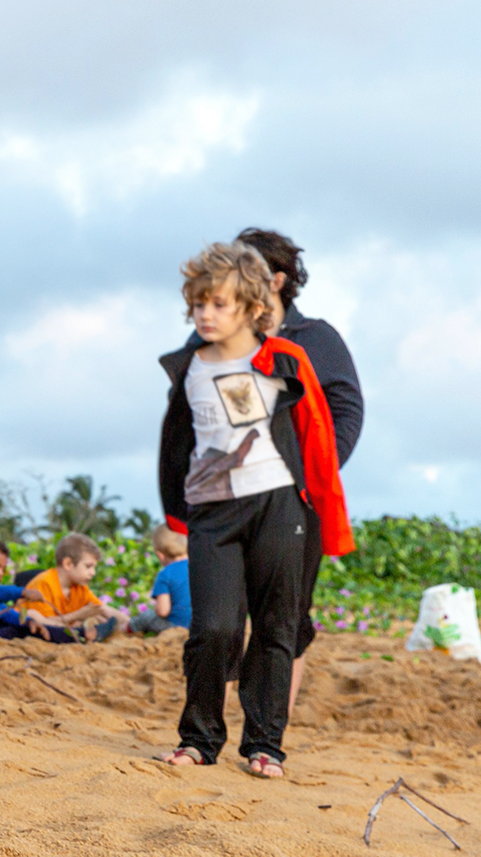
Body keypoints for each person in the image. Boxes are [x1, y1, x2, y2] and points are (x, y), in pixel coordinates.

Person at [157, 242, 354, 779]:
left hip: (279, 504)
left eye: (219, 304)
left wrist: (319, 507)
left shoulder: (286, 361)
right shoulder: (188, 367)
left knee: (276, 627)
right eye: (199, 304)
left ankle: (264, 744)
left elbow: (318, 432)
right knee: (214, 628)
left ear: (251, 306)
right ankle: (199, 737)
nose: (205, 314)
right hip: (211, 512)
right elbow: (175, 444)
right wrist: (177, 508)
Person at [233, 228, 364, 714]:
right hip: (229, 495)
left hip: (296, 501)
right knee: (224, 610)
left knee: (286, 614)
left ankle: (269, 723)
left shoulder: (317, 339)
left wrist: (315, 472)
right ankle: (218, 720)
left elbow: (347, 409)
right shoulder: (216, 330)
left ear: (278, 279)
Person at [15, 533, 130, 643]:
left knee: (98, 615)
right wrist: (79, 615)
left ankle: (88, 632)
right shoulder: (44, 583)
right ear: (68, 564)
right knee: (33, 615)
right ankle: (85, 633)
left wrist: (131, 623)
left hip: (63, 626)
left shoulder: (80, 587)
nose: (93, 573)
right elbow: (46, 622)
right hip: (29, 628)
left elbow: (102, 608)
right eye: (88, 566)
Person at [128, 525, 191, 636]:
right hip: (202, 626)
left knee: (147, 616)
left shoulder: (165, 573)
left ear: (160, 555)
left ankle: (125, 630)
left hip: (176, 628)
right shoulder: (201, 567)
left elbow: (162, 611)